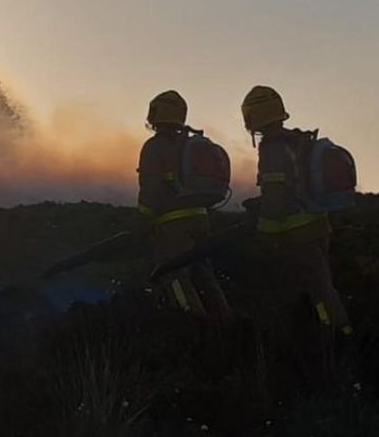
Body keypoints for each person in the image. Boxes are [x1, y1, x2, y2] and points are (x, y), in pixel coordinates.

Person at [240, 85, 351, 386]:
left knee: (315, 291)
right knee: (323, 286)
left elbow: (276, 198)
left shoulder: (272, 147)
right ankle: (334, 340)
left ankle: (335, 348)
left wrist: (263, 234)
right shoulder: (299, 141)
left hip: (295, 235)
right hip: (318, 226)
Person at [138, 90, 230, 319]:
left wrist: (142, 223)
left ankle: (192, 325)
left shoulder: (154, 147)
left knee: (173, 276)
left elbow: (150, 190)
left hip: (173, 226)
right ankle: (226, 323)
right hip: (200, 219)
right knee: (202, 274)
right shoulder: (187, 144)